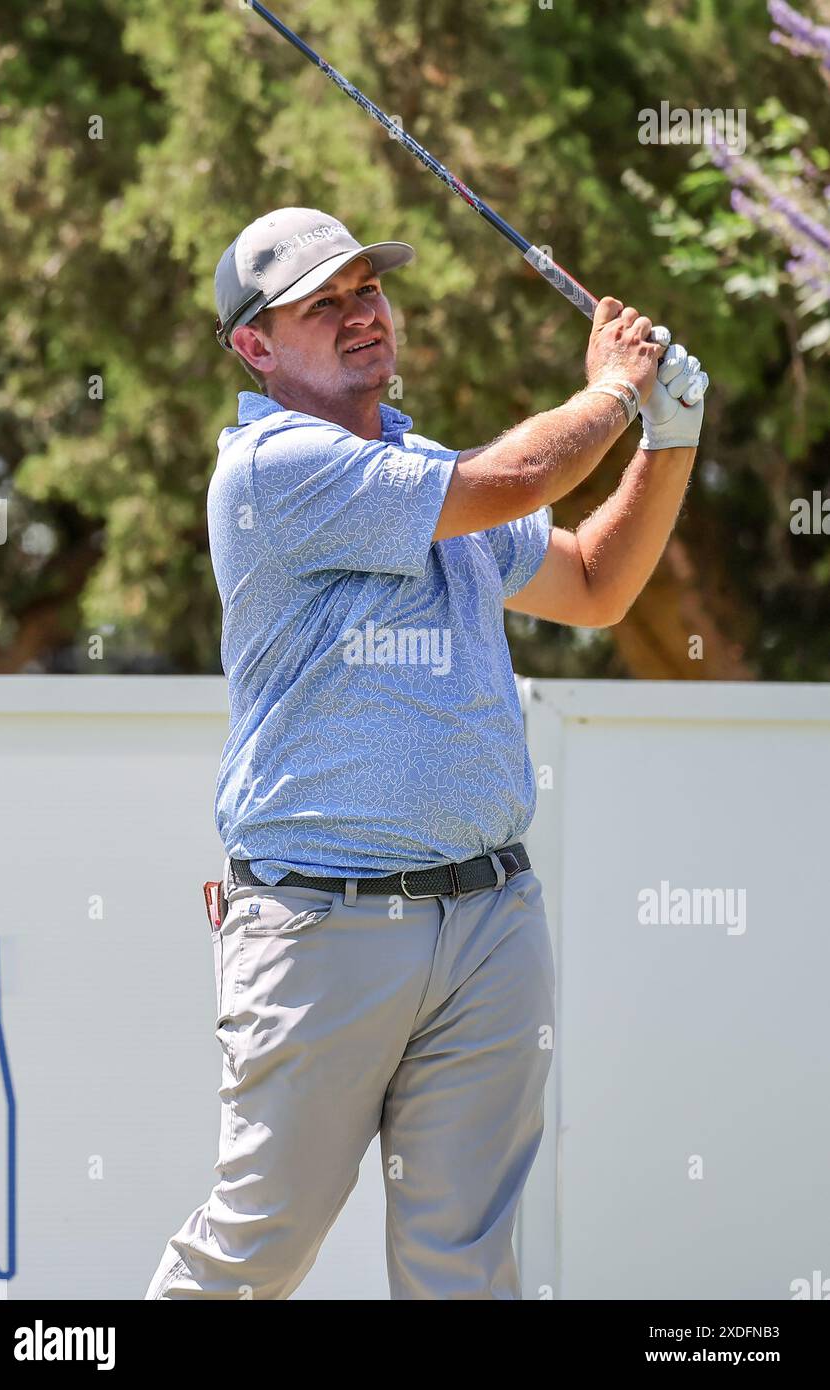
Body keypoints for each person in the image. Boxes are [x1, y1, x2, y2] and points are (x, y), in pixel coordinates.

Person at [145, 207, 708, 1301]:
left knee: (463, 1263)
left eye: (366, 289)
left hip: (489, 921)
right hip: (323, 922)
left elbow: (592, 581)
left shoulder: (417, 465)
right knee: (257, 1246)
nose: (362, 315)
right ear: (253, 348)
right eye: (323, 303)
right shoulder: (269, 470)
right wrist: (611, 391)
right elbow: (507, 486)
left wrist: (667, 436)